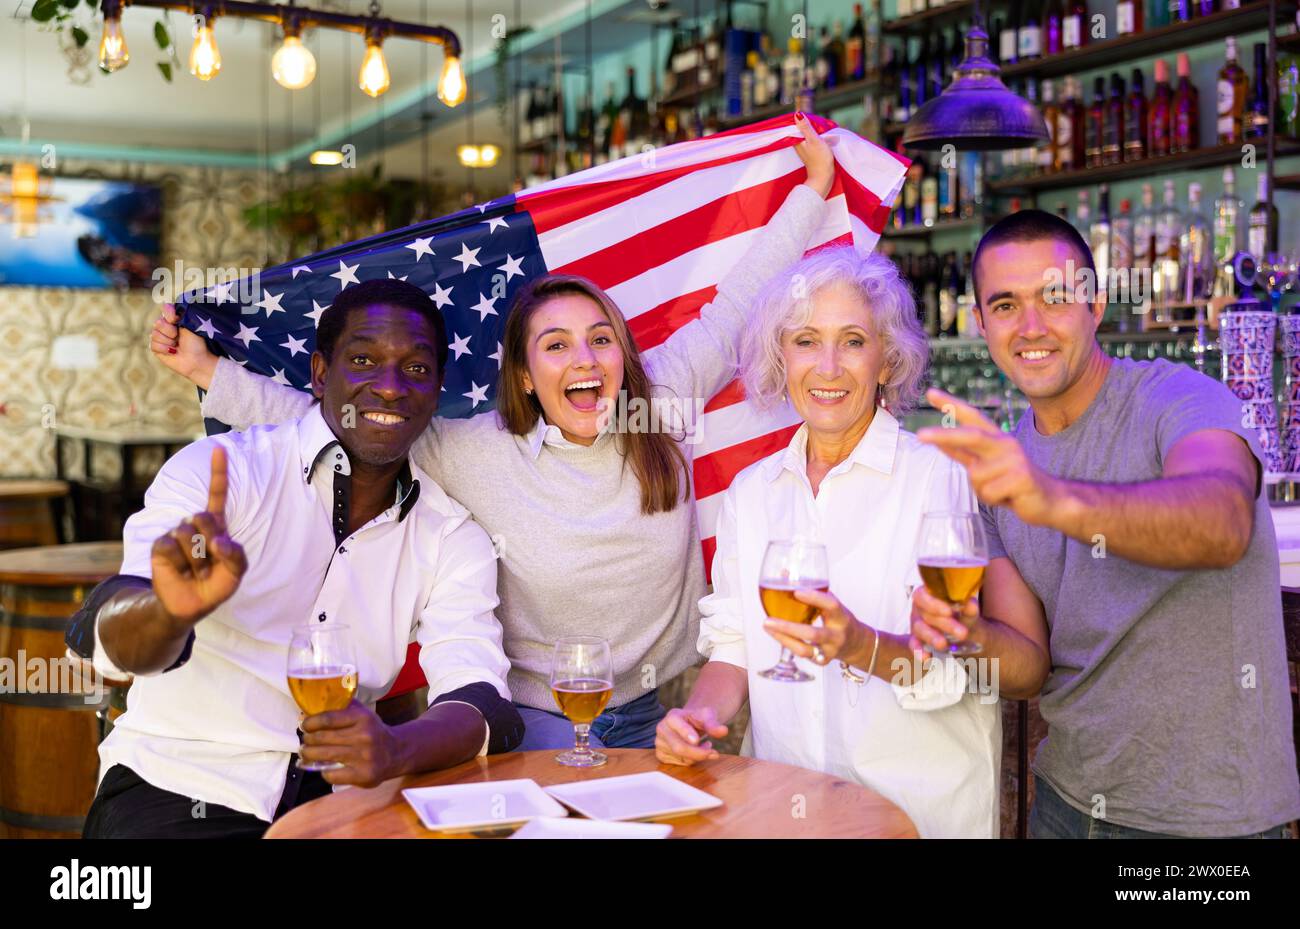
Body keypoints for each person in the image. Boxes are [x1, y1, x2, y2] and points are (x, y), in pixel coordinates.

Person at [147, 115, 837, 751]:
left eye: (601, 338)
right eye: (557, 345)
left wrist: (813, 190)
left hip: (650, 714)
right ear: (528, 377)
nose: (585, 358)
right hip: (528, 722)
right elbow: (344, 420)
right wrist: (209, 369)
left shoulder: (659, 397)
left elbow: (738, 301)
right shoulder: (479, 447)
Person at [69, 279, 521, 838]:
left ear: (436, 390)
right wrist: (168, 612)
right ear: (320, 374)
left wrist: (395, 748)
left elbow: (485, 704)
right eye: (363, 359)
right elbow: (107, 635)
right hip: (175, 787)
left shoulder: (452, 533)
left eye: (416, 369)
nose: (389, 387)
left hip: (336, 801)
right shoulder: (223, 472)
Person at [914, 209, 1300, 838]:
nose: (1031, 326)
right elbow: (1028, 667)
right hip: (1066, 804)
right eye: (1006, 305)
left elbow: (1221, 524)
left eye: (1056, 297)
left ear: (1094, 305)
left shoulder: (1180, 398)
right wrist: (962, 634)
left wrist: (1050, 498)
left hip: (1208, 825)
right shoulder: (1000, 473)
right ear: (980, 322)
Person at [653, 246, 1050, 838]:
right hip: (785, 811)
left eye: (854, 341)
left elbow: (987, 668)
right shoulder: (750, 492)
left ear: (887, 361)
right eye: (807, 340)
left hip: (922, 819)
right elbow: (735, 643)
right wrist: (697, 717)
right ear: (779, 357)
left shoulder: (943, 477)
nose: (829, 367)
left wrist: (861, 646)